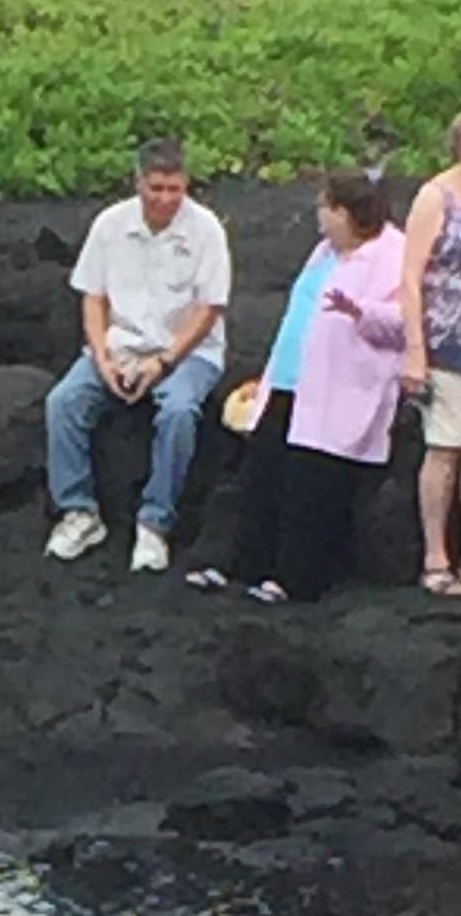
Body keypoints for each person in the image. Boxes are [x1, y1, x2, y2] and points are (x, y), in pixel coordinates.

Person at [185, 172, 405, 604]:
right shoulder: (324, 251)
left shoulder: (393, 254)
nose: (318, 216)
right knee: (262, 473)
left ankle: (296, 580)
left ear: (344, 212)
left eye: (324, 207)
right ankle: (244, 565)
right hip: (289, 380)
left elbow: (406, 321)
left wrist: (361, 312)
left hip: (340, 387)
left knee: (312, 485)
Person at [45, 138, 231, 572]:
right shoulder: (110, 225)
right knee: (63, 402)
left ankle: (155, 522)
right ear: (138, 183)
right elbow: (93, 297)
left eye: (174, 189)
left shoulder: (206, 230)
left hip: (188, 350)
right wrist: (101, 356)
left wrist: (164, 362)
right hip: (121, 344)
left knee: (179, 411)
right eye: (156, 189)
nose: (165, 199)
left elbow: (209, 310)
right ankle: (78, 511)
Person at [401, 113, 461, 593]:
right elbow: (410, 277)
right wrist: (415, 351)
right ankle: (435, 558)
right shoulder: (436, 197)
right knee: (445, 449)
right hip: (446, 344)